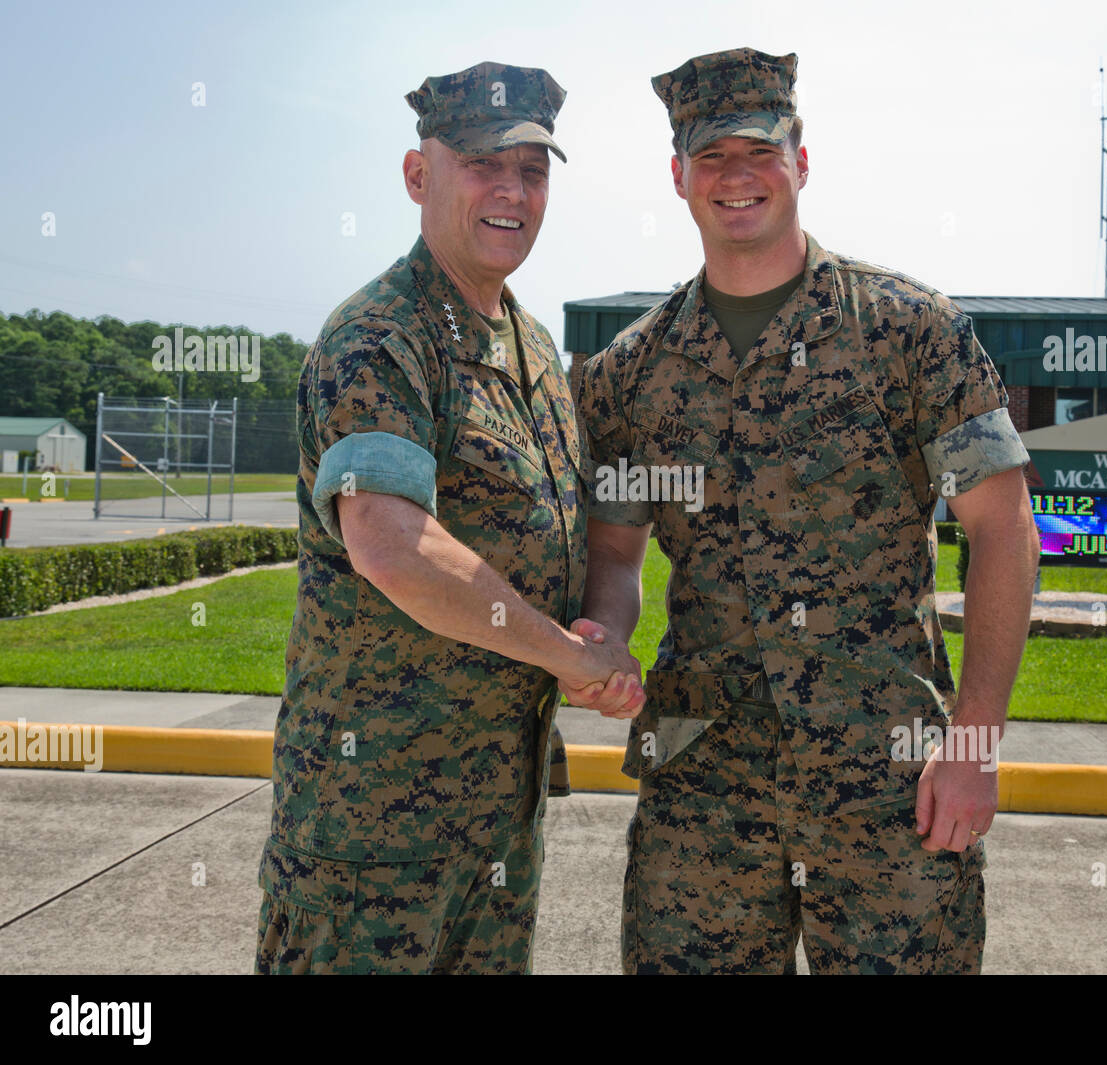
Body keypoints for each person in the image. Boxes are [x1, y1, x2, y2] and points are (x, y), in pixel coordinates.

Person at [574, 47, 1039, 974]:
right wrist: (605, 636)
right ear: (677, 177)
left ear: (802, 158)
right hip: (701, 783)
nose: (736, 176)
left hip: (890, 780)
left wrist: (975, 740)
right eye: (710, 156)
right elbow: (618, 555)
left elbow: (1004, 531)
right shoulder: (633, 371)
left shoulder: (907, 331)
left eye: (760, 149)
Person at [256, 60, 642, 975]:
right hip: (371, 838)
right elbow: (394, 550)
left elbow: (575, 538)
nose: (512, 190)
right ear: (418, 175)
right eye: (481, 162)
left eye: (534, 170)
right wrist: (565, 653)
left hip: (498, 824)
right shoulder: (381, 340)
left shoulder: (535, 348)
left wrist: (602, 638)